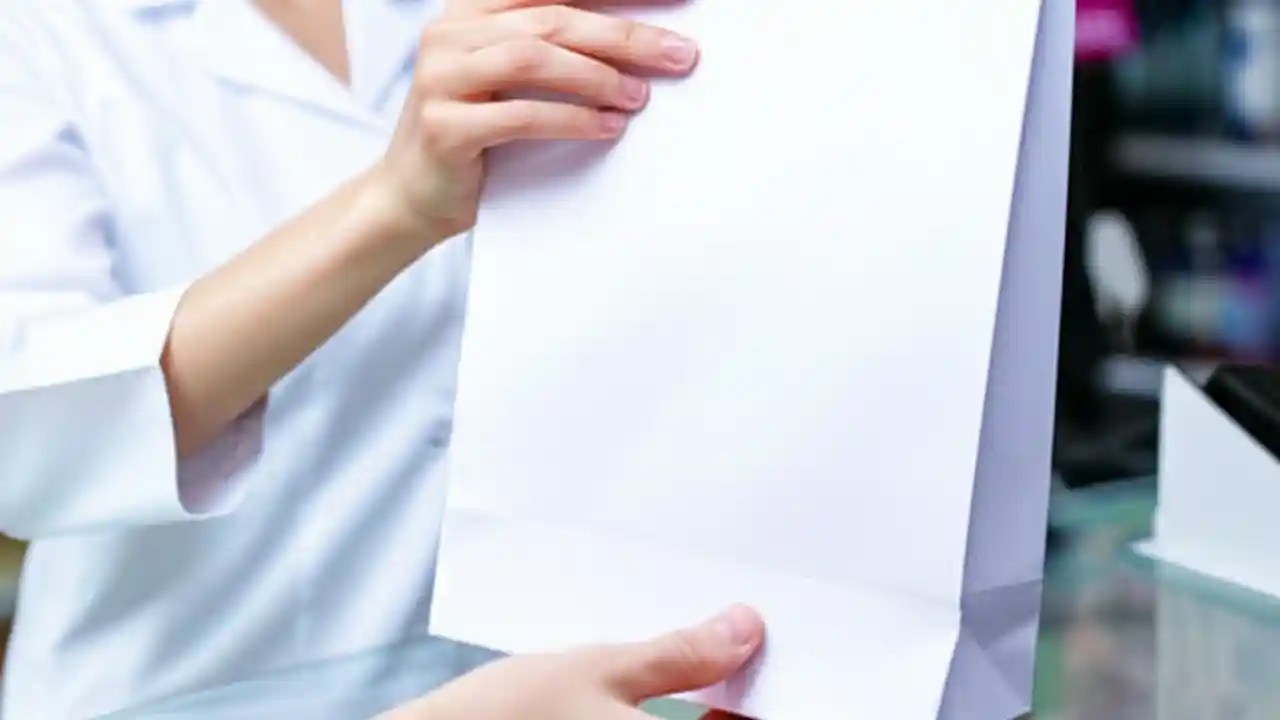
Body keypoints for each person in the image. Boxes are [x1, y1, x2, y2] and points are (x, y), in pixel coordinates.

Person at [0, 0, 753, 717]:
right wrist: (396, 204)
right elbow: (24, 440)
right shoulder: (41, 35)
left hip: (527, 680)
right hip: (187, 689)